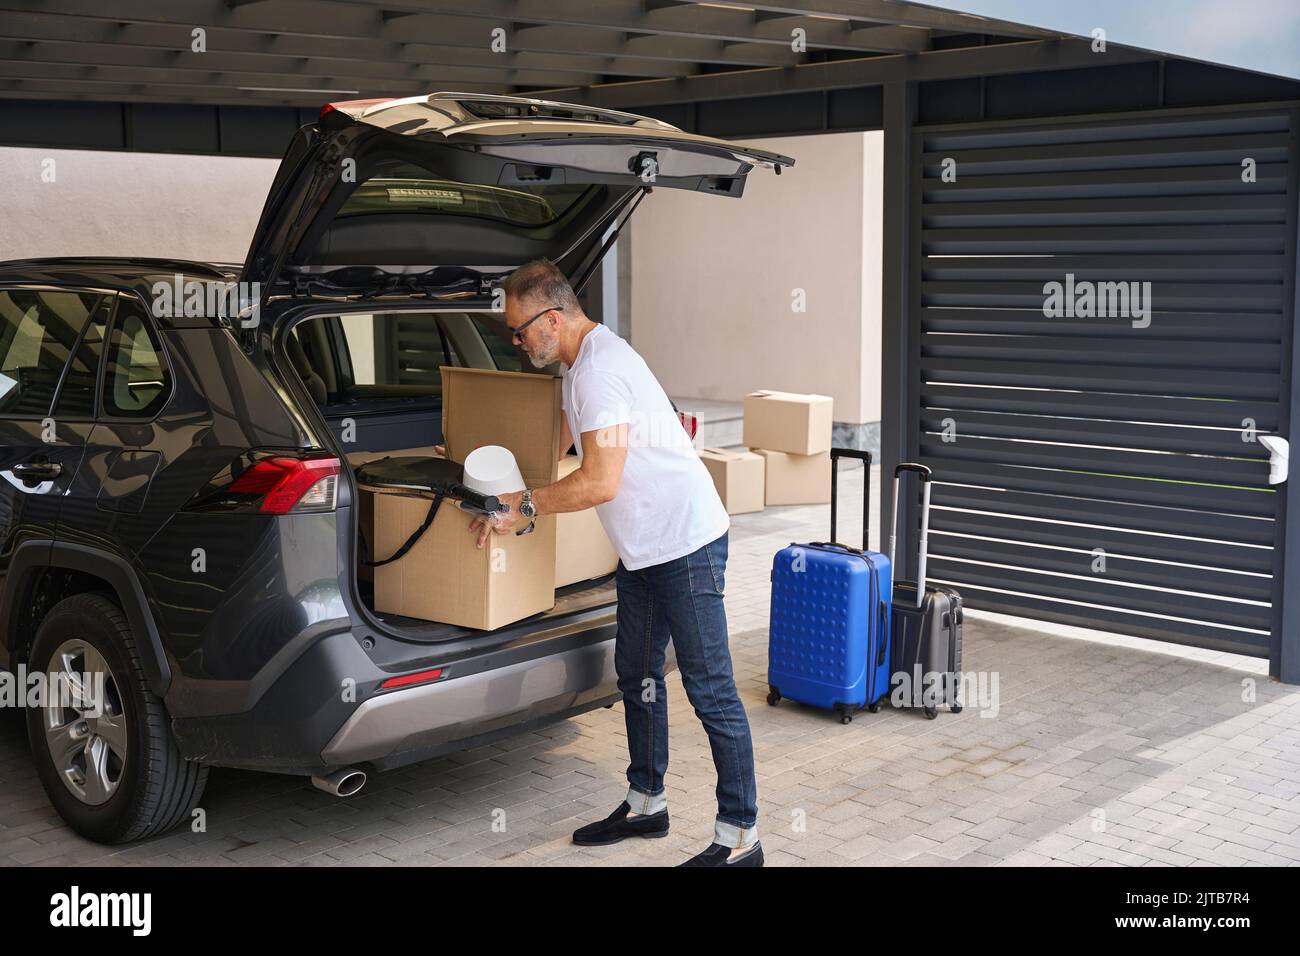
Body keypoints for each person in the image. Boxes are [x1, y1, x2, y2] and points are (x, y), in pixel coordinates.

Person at [467, 258, 761, 867]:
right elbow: (558, 448)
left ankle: (740, 839)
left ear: (552, 318)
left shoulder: (600, 372)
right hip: (644, 551)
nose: (516, 342)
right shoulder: (581, 367)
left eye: (519, 330)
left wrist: (521, 507)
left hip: (686, 545)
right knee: (638, 675)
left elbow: (599, 482)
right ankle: (647, 804)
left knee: (712, 693)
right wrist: (471, 453)